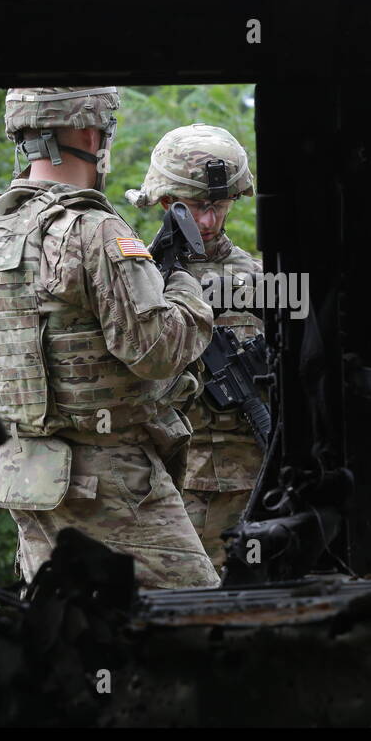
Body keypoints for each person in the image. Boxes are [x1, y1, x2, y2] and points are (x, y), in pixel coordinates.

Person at [0, 88, 218, 589]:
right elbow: (157, 353)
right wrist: (185, 287)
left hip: (24, 475)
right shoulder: (94, 230)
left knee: (64, 628)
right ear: (92, 134)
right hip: (109, 479)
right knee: (198, 623)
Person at [126, 123, 265, 572]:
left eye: (217, 205)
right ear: (165, 202)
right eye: (193, 206)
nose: (206, 221)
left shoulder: (261, 281)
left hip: (256, 480)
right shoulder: (134, 277)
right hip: (165, 486)